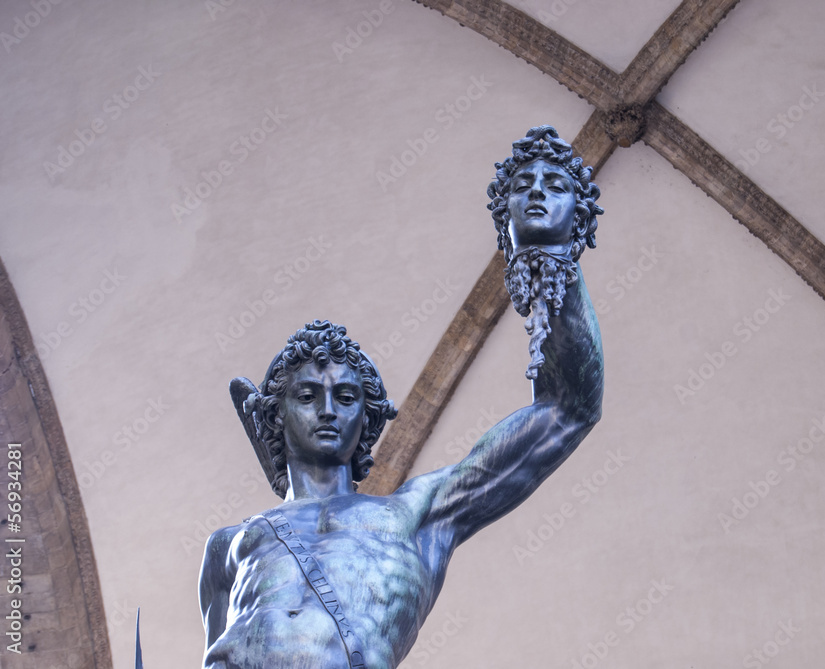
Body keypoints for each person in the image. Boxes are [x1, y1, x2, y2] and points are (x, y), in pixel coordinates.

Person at [199, 126, 604, 669]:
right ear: (275, 415)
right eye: (307, 394)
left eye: (346, 396)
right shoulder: (229, 546)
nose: (327, 409)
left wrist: (551, 256)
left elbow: (566, 409)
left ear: (366, 421)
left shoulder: (418, 516)